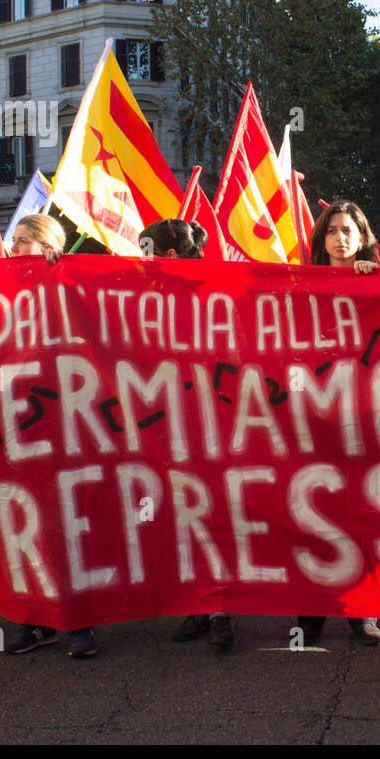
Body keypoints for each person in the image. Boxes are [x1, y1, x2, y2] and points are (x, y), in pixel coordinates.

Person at [0, 215, 101, 658]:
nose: (14, 249)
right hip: (15, 425)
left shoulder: (71, 280)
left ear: (48, 245)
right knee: (23, 524)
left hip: (67, 423)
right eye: (13, 242)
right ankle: (31, 617)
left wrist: (64, 275)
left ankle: (80, 620)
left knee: (68, 523)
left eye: (23, 242)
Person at [138, 218, 238, 652]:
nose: (138, 258)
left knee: (214, 512)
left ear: (170, 256)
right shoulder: (143, 294)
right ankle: (199, 605)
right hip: (169, 425)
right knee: (184, 513)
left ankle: (221, 610)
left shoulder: (219, 289)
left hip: (218, 424)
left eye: (145, 250)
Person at [297, 201, 380, 645]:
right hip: (313, 415)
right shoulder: (300, 285)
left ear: (361, 236)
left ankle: (361, 609)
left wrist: (375, 285)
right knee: (313, 514)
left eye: (347, 230)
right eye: (331, 231)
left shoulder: (379, 284)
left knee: (359, 512)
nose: (339, 238)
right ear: (321, 239)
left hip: (365, 418)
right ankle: (310, 613)